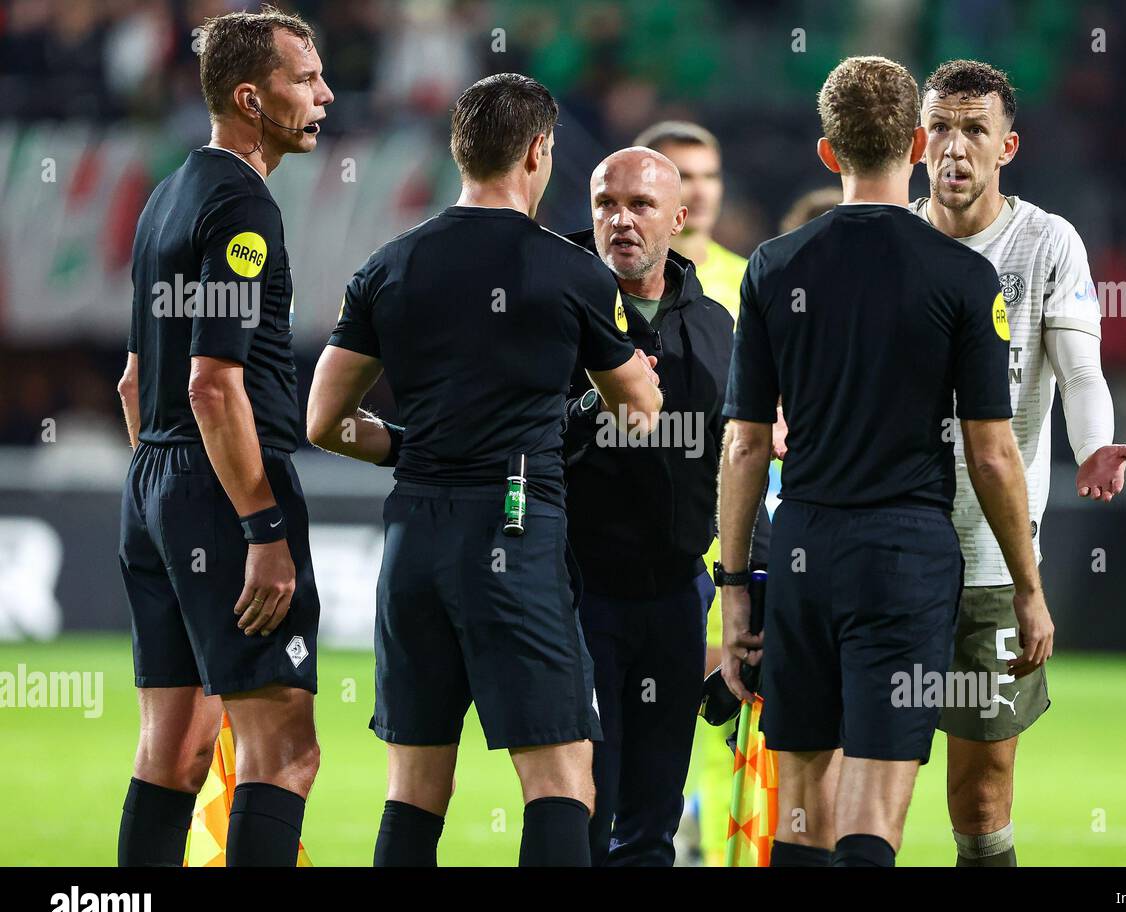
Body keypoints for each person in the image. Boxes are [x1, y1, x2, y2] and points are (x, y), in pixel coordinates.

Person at [305, 73, 662, 867]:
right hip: (514, 526)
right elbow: (639, 407)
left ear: (460, 151)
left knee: (415, 785)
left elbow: (323, 421)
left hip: (412, 540)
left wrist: (408, 447)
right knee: (564, 777)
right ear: (538, 152)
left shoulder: (389, 266)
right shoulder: (571, 272)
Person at [717, 55, 1054, 867]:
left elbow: (746, 444)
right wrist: (1028, 589)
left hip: (804, 550)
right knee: (876, 806)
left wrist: (734, 591)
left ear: (828, 152)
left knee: (798, 807)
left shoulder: (773, 267)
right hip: (906, 557)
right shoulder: (965, 278)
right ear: (914, 142)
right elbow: (993, 454)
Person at [911, 59, 1126, 866]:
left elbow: (1080, 372)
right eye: (940, 126)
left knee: (981, 791)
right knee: (860, 774)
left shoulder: (1048, 244)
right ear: (916, 141)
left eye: (974, 129)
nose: (955, 146)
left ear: (1007, 145)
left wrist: (1094, 445)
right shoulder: (893, 242)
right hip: (886, 552)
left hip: (991, 562)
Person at [115, 6, 332, 867]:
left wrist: (162, 504)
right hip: (225, 487)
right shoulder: (243, 206)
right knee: (285, 750)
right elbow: (214, 383)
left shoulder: (166, 194)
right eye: (303, 79)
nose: (324, 93)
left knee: (175, 747)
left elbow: (136, 379)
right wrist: (261, 525)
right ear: (250, 97)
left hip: (155, 479)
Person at [561, 147, 767, 865]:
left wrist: (756, 583)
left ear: (679, 220)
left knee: (653, 821)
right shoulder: (554, 311)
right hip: (579, 597)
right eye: (605, 204)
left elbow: (734, 465)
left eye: (640, 206)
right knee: (579, 808)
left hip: (677, 599)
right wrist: (598, 400)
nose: (620, 220)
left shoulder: (714, 327)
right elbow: (515, 446)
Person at [633, 122, 748, 323]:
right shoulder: (609, 278)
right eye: (683, 177)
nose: (701, 192)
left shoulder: (748, 278)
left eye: (710, 176)